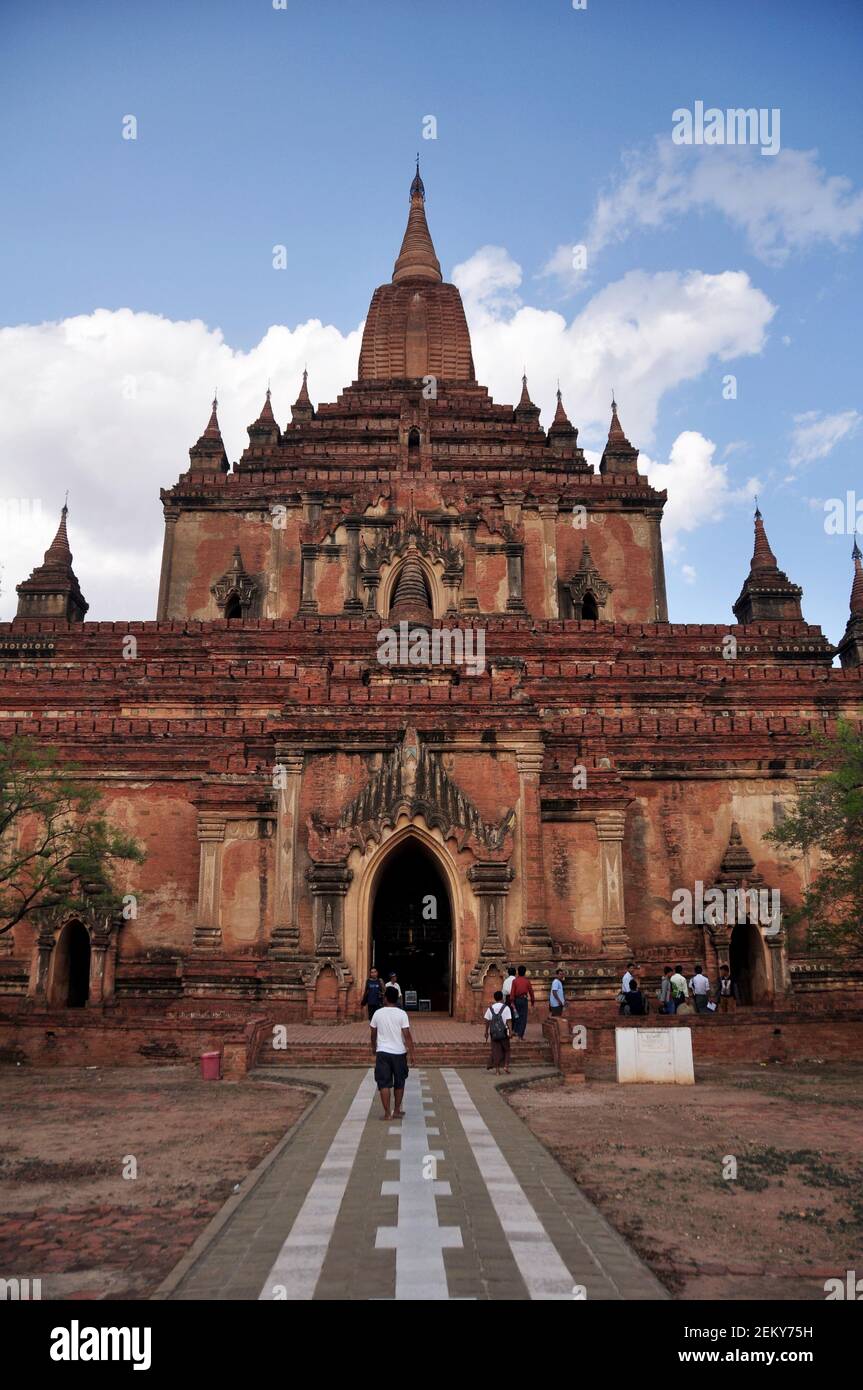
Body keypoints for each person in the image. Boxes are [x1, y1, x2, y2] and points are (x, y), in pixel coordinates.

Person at [370, 985, 415, 1120]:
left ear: (385, 998)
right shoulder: (402, 1014)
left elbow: (373, 1033)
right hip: (399, 1053)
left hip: (383, 1052)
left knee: (383, 1083)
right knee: (399, 1082)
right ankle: (396, 1110)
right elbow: (407, 1035)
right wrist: (412, 1053)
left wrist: (374, 1046)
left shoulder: (377, 1013)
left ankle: (387, 1114)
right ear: (397, 999)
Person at [484, 990, 512, 1074]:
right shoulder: (506, 1007)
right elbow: (509, 1020)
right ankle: (506, 1066)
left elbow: (487, 1021)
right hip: (503, 1032)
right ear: (502, 998)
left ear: (494, 998)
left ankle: (497, 1071)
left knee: (495, 1051)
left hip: (494, 1033)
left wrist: (486, 1031)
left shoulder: (490, 1008)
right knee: (507, 1049)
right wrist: (510, 1031)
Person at [510, 965, 535, 1039]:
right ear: (524, 972)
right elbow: (531, 992)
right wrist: (532, 1002)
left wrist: (512, 1002)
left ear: (518, 972)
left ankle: (516, 1031)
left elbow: (512, 993)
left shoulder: (515, 981)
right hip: (524, 1000)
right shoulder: (527, 981)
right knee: (523, 1018)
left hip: (516, 1000)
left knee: (516, 1016)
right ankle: (520, 1035)